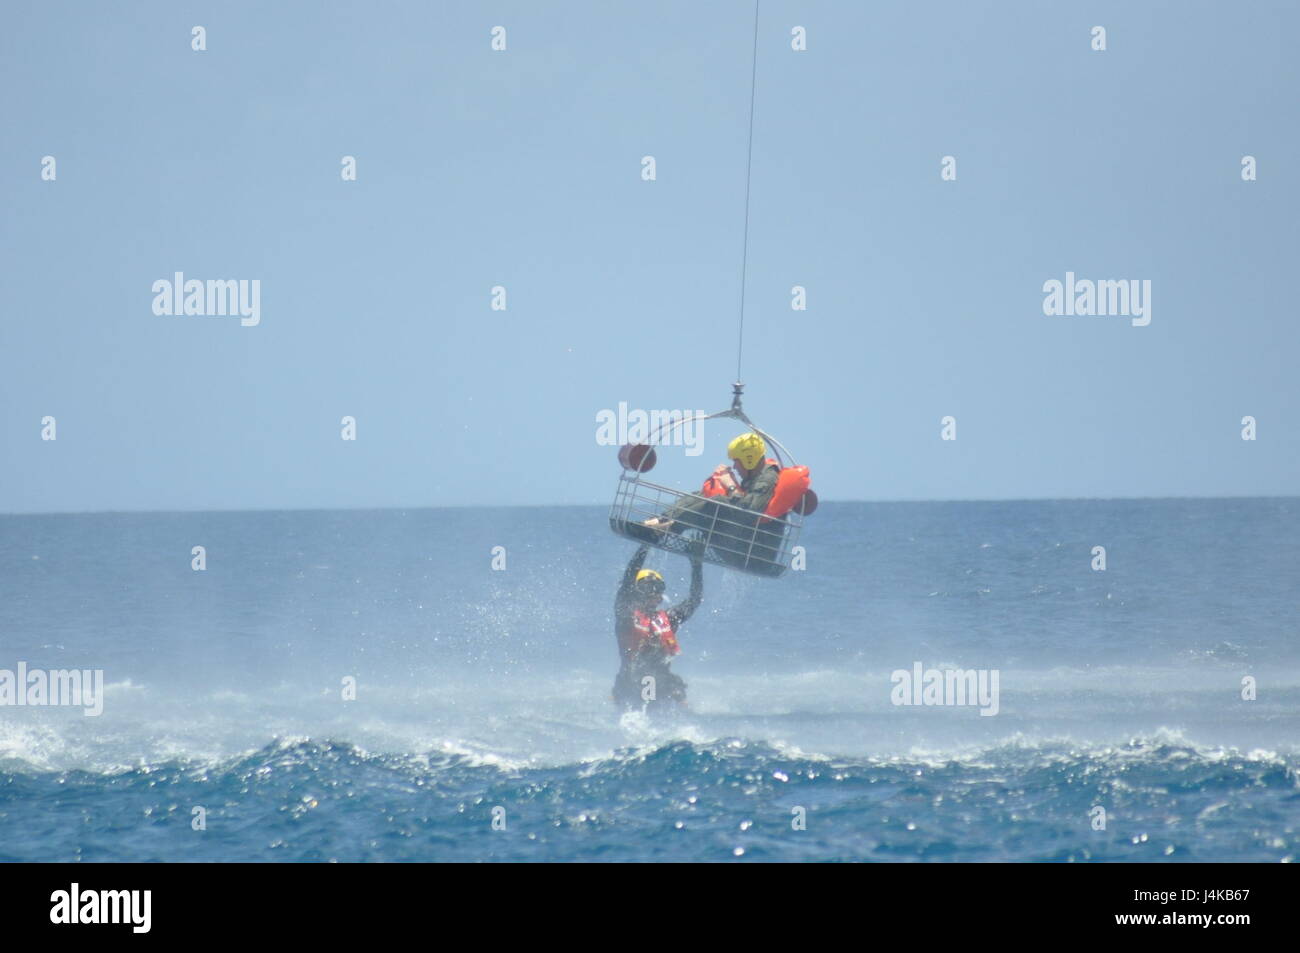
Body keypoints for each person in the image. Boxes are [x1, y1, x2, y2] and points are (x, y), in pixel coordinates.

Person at [636, 433, 784, 573]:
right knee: (702, 495)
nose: (734, 466)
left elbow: (747, 513)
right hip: (743, 547)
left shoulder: (767, 479)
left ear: (749, 459)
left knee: (717, 502)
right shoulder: (758, 476)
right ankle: (662, 520)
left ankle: (667, 527)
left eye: (736, 461)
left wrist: (731, 485)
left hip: (753, 558)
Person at [612, 542, 703, 712]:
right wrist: (645, 545)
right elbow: (627, 582)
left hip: (663, 681)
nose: (654, 593)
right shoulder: (626, 616)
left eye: (658, 588)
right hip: (632, 681)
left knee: (672, 689)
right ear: (636, 591)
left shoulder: (668, 618)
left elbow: (694, 600)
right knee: (648, 681)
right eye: (648, 587)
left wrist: (696, 563)